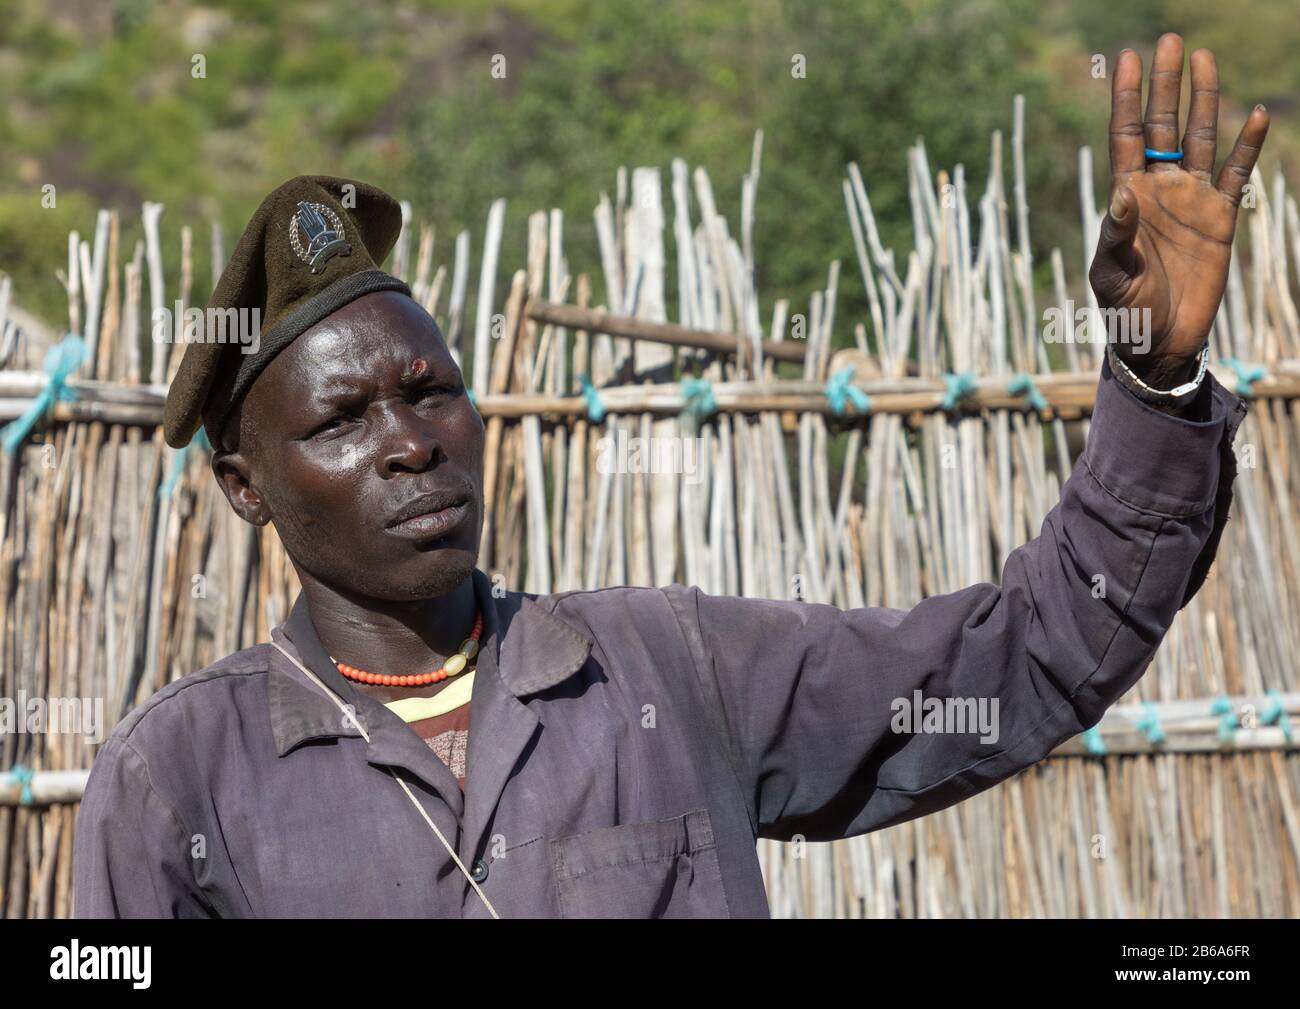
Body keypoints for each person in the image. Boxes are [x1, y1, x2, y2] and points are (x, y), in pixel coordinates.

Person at [74, 35, 1267, 918]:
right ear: (245, 485)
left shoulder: (665, 668)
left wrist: (1152, 378)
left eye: (431, 390)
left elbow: (1023, 660)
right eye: (341, 418)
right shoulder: (175, 781)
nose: (408, 439)